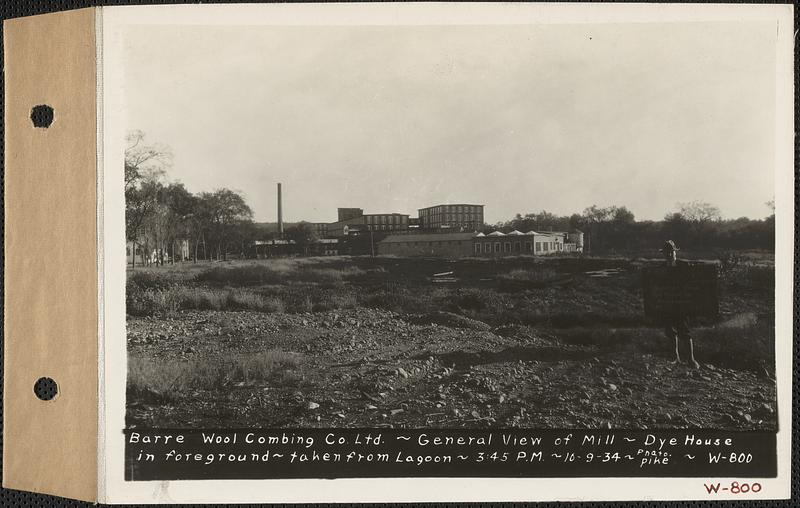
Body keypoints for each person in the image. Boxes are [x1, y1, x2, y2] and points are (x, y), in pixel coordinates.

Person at [660, 240, 700, 369]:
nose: (669, 254)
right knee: (669, 331)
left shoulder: (684, 265)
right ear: (664, 254)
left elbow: (693, 281)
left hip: (682, 304)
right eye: (667, 252)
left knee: (684, 331)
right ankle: (675, 357)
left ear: (675, 252)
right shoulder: (661, 268)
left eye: (671, 252)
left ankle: (691, 359)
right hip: (667, 304)